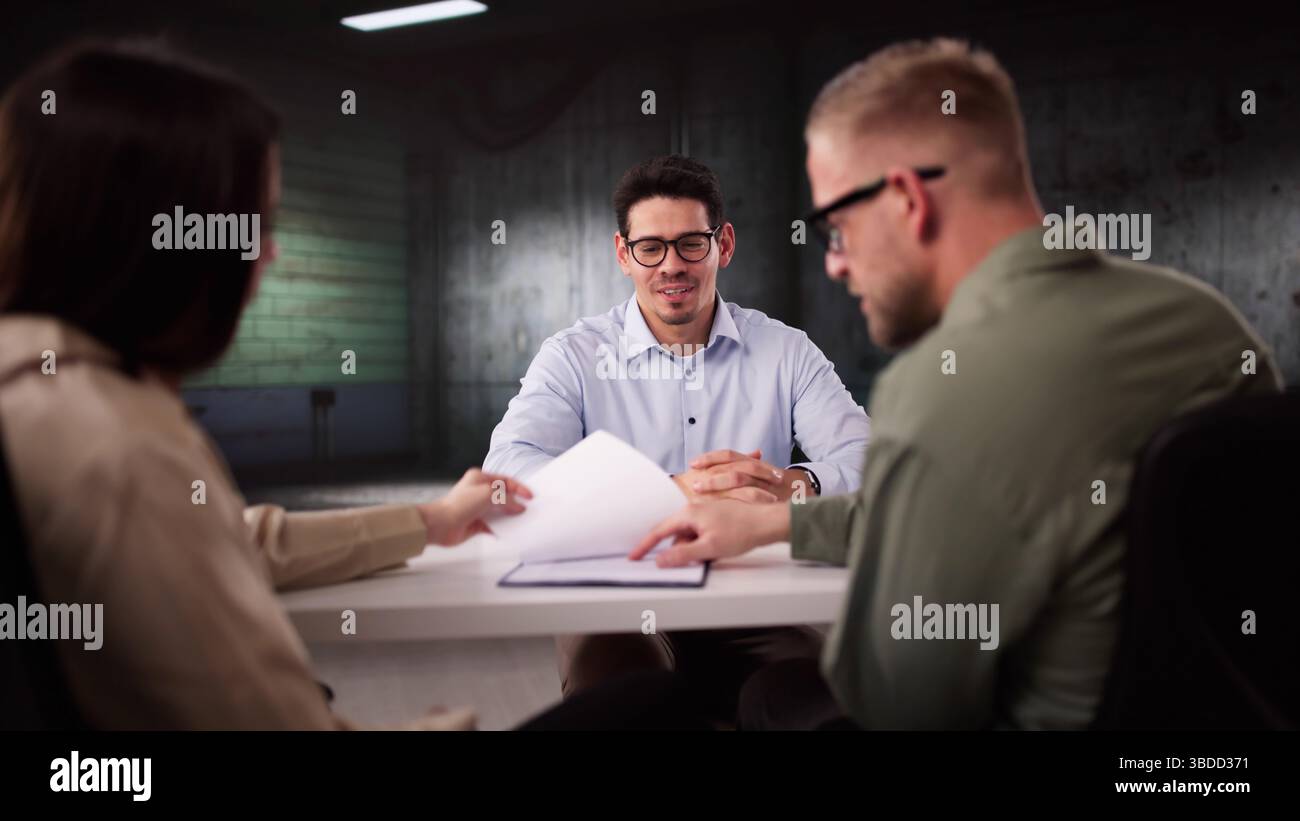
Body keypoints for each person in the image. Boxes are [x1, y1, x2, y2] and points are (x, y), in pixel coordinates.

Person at [632, 38, 1284, 730]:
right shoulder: (1210, 327)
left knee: (774, 692)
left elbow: (894, 699)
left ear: (908, 200)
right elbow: (969, 505)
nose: (836, 265)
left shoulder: (941, 386)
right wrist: (771, 522)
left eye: (838, 228)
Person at [0, 39, 539, 730]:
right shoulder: (123, 447)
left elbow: (229, 541)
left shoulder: (40, 386)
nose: (270, 250)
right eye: (257, 221)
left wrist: (428, 521)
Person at [483, 154, 871, 715]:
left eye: (692, 243)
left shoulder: (786, 351)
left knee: (815, 700)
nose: (671, 266)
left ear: (724, 245)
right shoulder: (574, 356)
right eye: (650, 247)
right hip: (614, 604)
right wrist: (671, 493)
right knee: (623, 699)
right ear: (624, 254)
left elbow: (868, 461)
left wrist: (791, 488)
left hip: (754, 601)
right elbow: (508, 470)